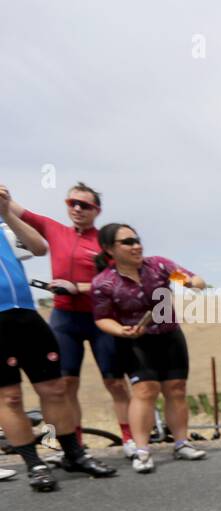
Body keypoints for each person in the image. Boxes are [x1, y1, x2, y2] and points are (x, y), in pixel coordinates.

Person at [4, 182, 135, 454]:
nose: (77, 209)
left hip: (101, 317)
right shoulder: (54, 229)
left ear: (96, 210)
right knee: (65, 384)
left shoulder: (106, 241)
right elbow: (14, 207)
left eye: (84, 205)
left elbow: (119, 279)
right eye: (71, 203)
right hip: (64, 318)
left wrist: (80, 287)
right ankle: (73, 444)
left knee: (115, 382)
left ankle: (130, 439)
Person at [90, 223, 207, 472]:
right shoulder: (104, 282)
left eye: (137, 239)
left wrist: (191, 283)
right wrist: (121, 330)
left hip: (169, 335)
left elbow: (192, 279)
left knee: (176, 389)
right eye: (128, 242)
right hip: (135, 341)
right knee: (145, 391)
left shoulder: (159, 266)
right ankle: (142, 451)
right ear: (109, 249)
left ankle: (182, 443)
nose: (136, 246)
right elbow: (102, 318)